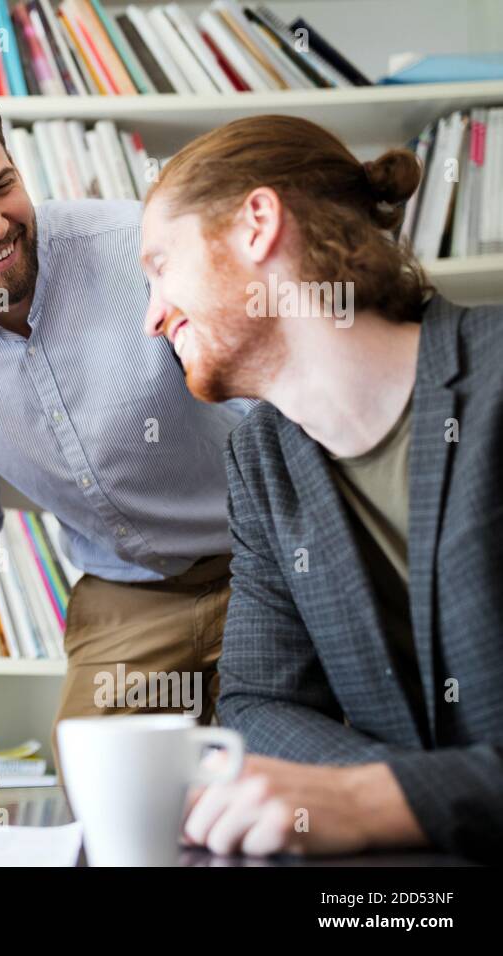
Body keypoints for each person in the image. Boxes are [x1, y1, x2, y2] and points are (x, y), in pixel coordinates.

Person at [140, 114, 503, 861]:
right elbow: (259, 703)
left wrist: (383, 799)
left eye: (160, 267)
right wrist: (387, 798)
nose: (151, 319)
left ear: (257, 224)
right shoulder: (262, 460)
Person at [0, 81, 247, 728]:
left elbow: (273, 410)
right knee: (99, 790)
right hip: (126, 594)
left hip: (255, 559)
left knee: (282, 775)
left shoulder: (139, 245)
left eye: (1, 185)